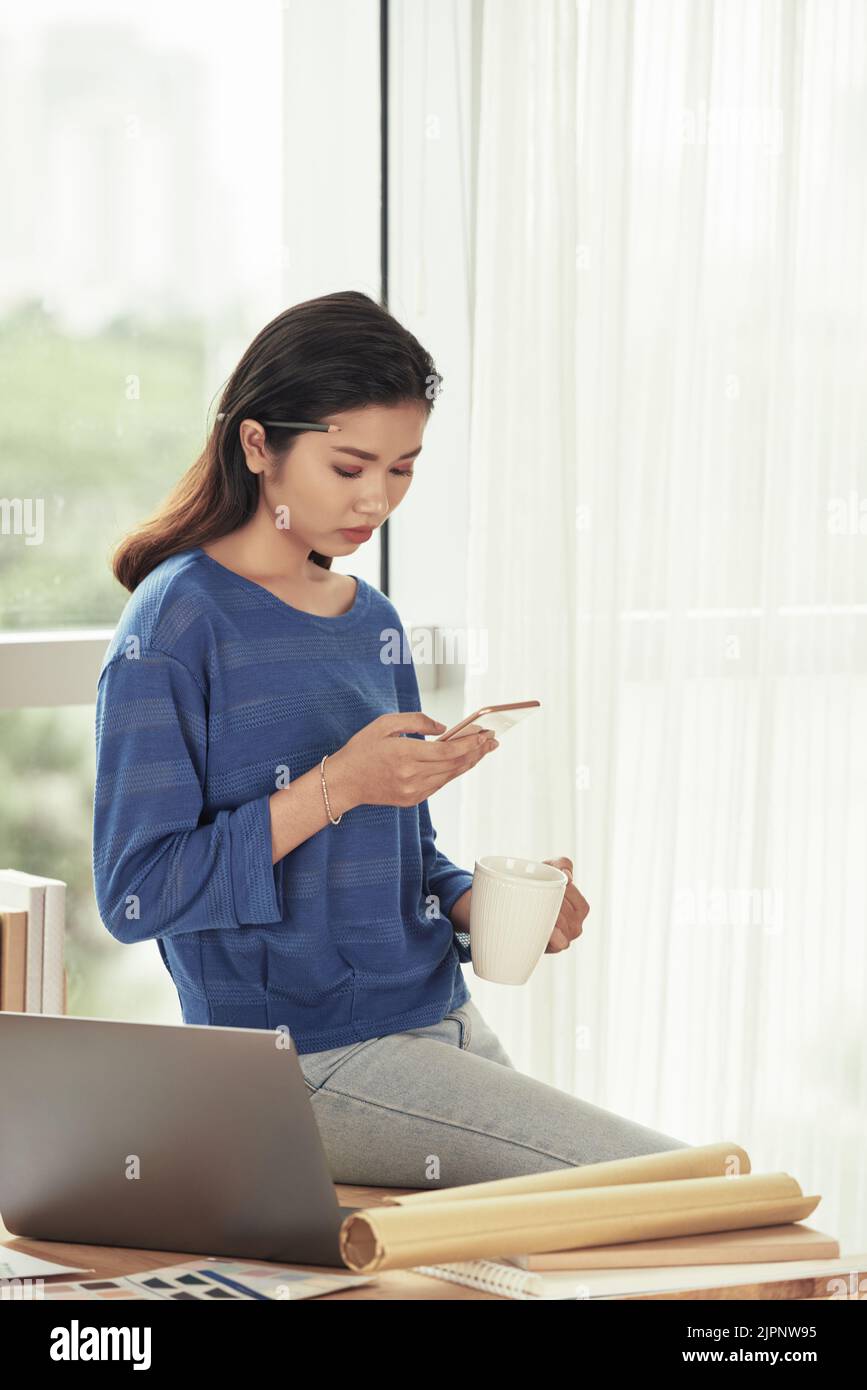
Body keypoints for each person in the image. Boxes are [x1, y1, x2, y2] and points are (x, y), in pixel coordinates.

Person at [93, 289, 690, 1188]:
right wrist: (337, 784)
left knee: (666, 1216)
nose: (378, 497)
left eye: (403, 468)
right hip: (305, 1062)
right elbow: (137, 895)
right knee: (693, 1190)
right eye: (349, 466)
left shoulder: (368, 617)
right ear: (258, 446)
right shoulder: (175, 626)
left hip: (437, 1020)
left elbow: (403, 856)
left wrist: (475, 905)